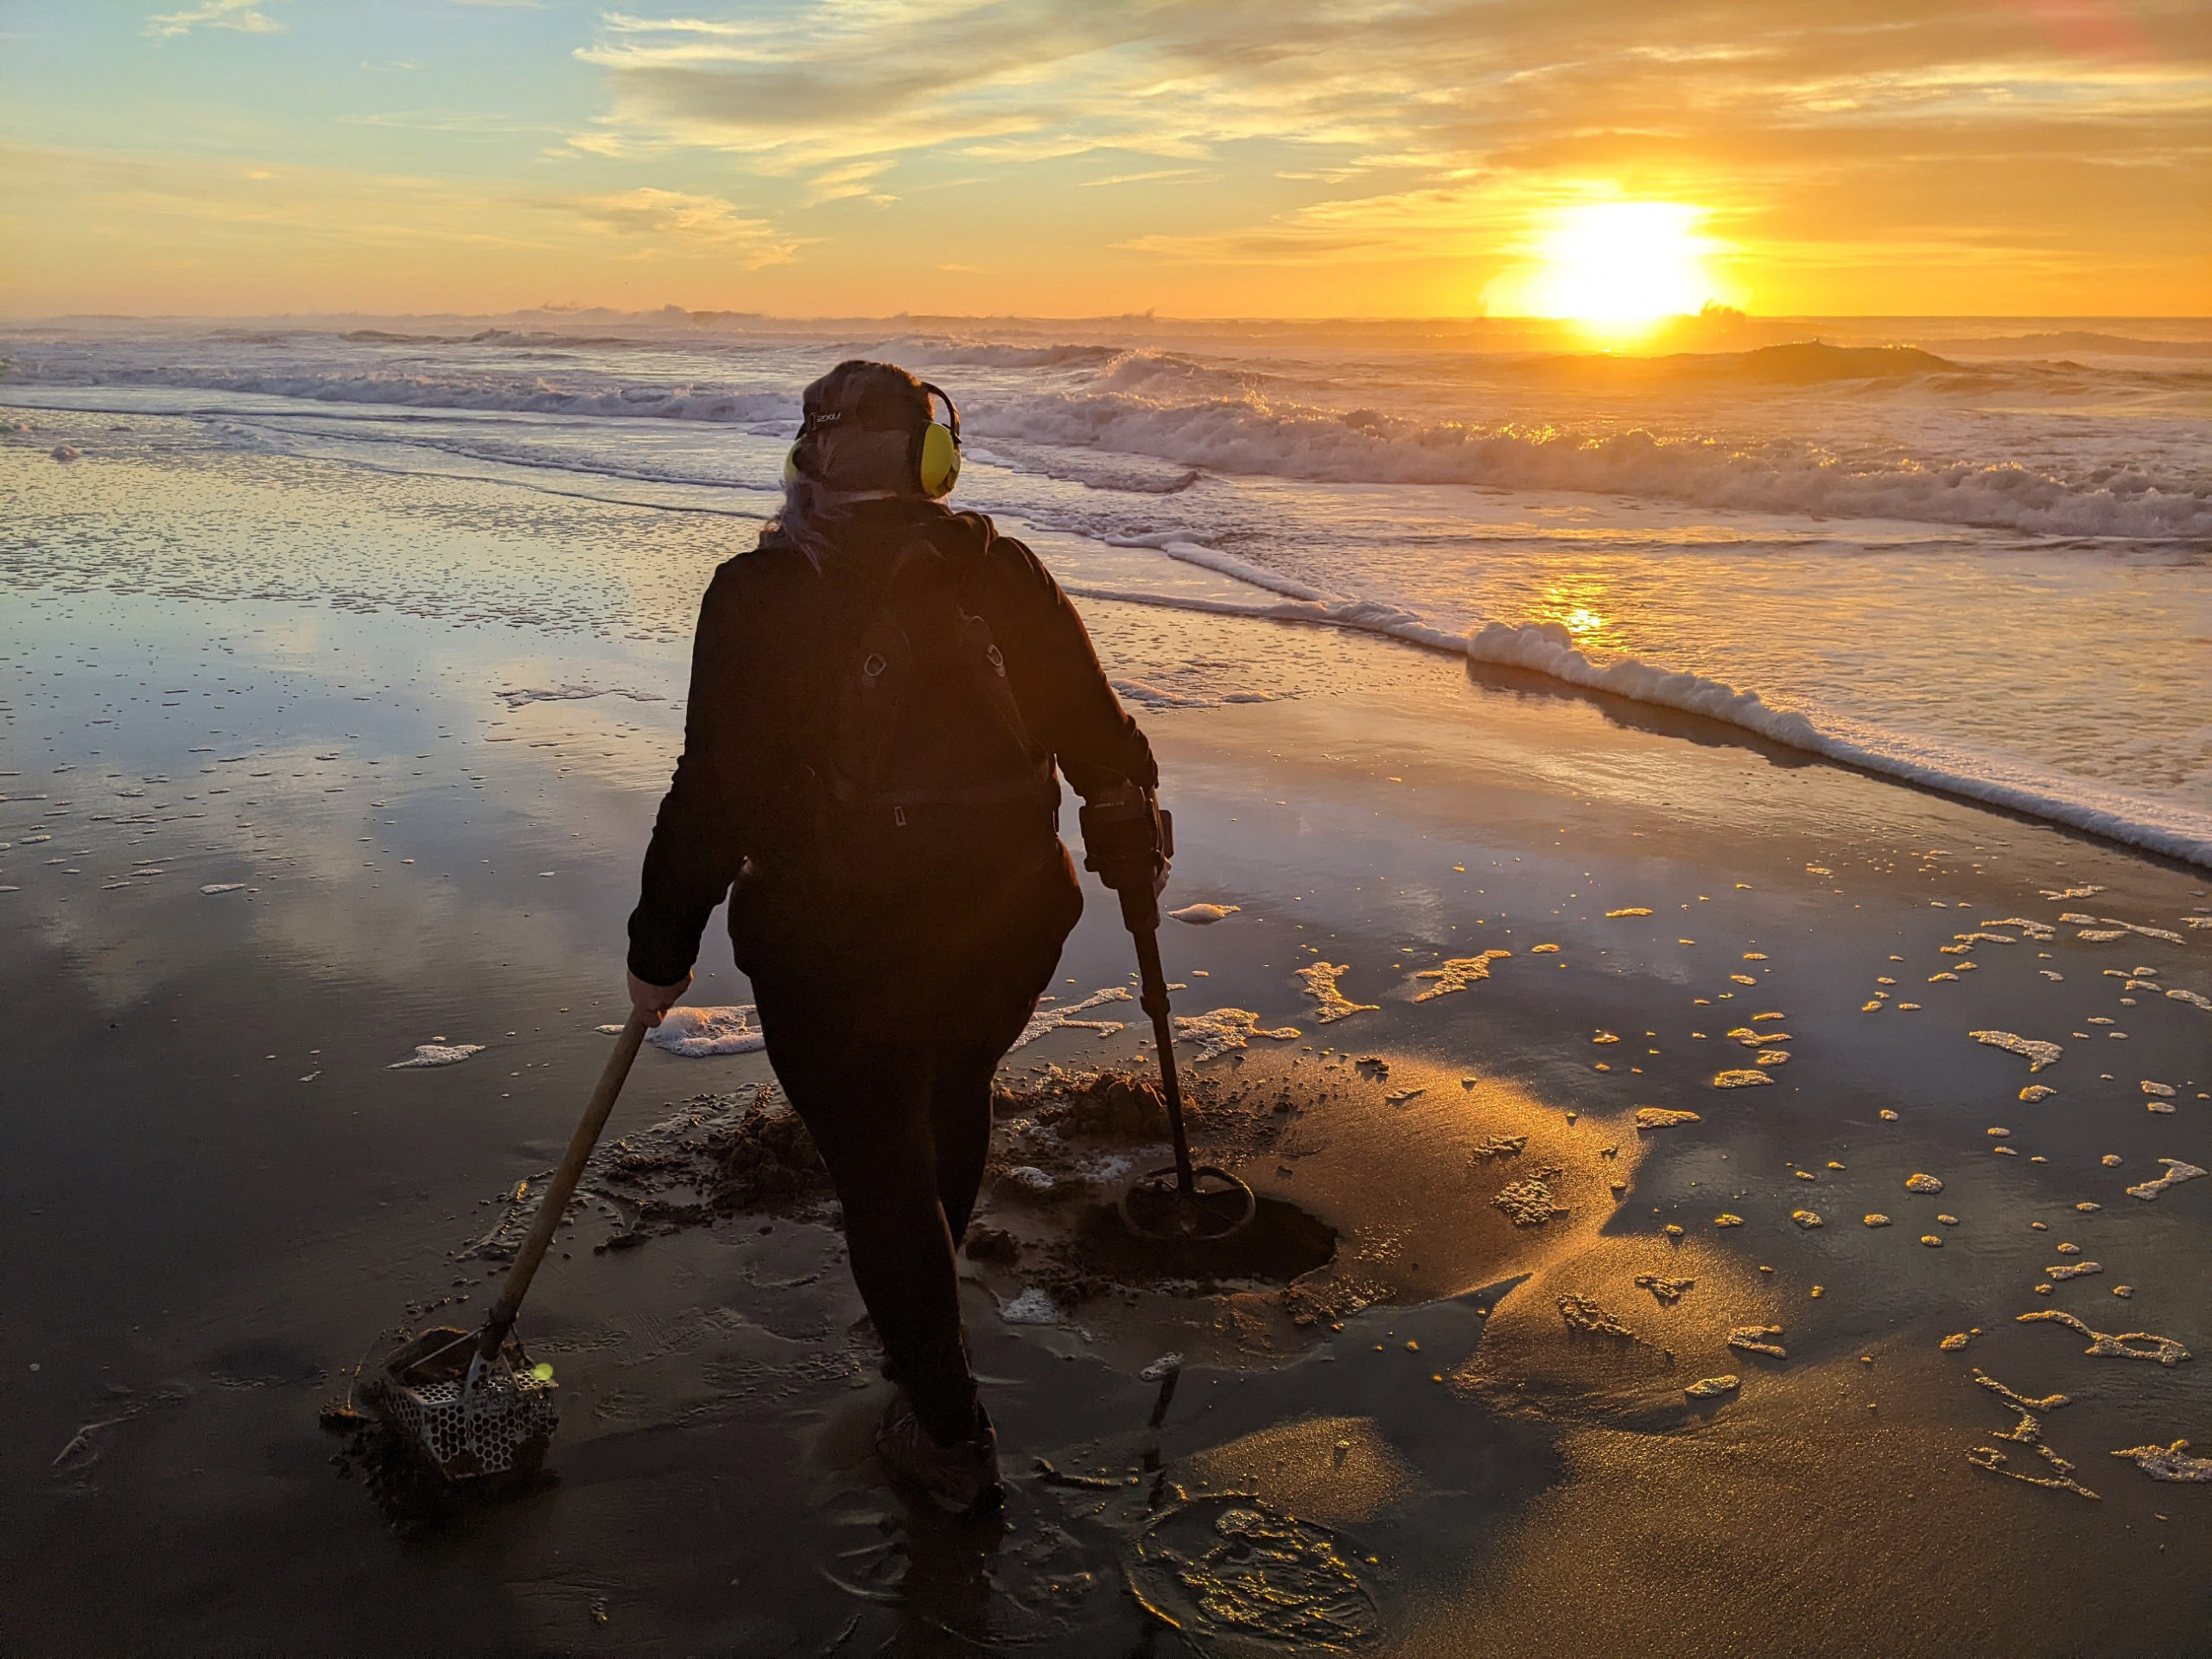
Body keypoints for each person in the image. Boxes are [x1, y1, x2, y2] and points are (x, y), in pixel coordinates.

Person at [623, 360, 1167, 1516]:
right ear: (936, 462)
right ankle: (923, 1314)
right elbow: (1106, 749)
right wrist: (1130, 846)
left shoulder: (757, 593)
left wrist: (659, 944)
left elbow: (710, 794)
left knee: (877, 1166)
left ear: (806, 463)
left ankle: (946, 1432)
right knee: (949, 1090)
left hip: (831, 936)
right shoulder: (1005, 573)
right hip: (1010, 916)